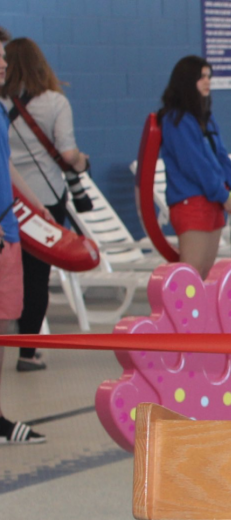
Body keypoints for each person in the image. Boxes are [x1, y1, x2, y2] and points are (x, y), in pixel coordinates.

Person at [0, 37, 91, 372]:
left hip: (11, 202)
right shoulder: (54, 102)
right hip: (43, 201)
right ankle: (28, 351)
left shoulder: (2, 100)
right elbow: (68, 154)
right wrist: (81, 163)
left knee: (13, 280)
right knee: (37, 278)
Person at [0, 26, 47, 444]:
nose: (3, 63)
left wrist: (37, 205)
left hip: (8, 228)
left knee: (1, 325)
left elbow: (6, 166)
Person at [157, 55, 231, 279]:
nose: (207, 81)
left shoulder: (206, 118)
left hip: (214, 202)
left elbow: (222, 157)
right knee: (191, 276)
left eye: (208, 76)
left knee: (204, 274)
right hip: (192, 202)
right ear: (187, 81)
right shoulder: (176, 120)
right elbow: (195, 165)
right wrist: (224, 196)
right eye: (201, 77)